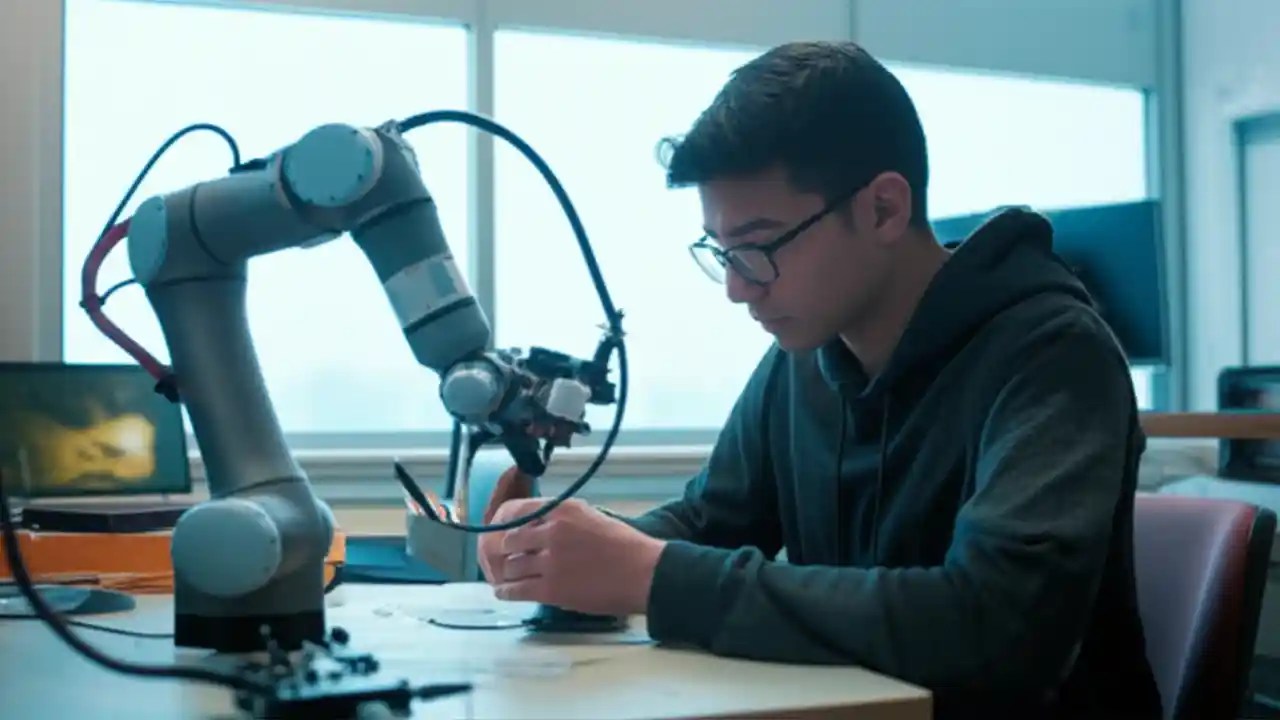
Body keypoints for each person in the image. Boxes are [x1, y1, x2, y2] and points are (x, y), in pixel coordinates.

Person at [478, 40, 1163, 719]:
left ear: (883, 209)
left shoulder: (1052, 353)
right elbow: (708, 524)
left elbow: (995, 626)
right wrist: (568, 552)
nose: (738, 288)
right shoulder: (805, 354)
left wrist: (653, 576)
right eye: (723, 251)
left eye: (758, 246)